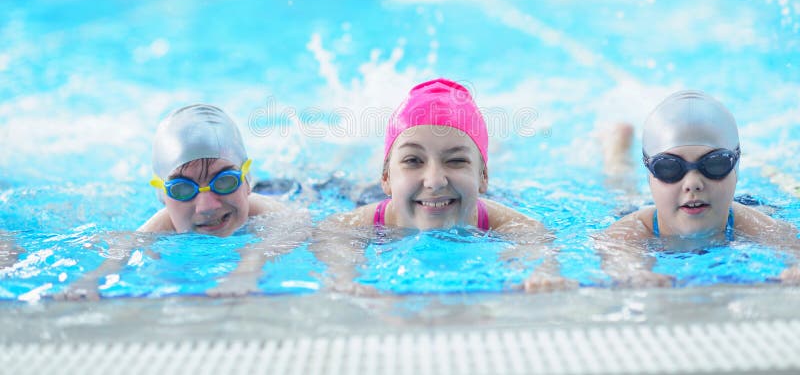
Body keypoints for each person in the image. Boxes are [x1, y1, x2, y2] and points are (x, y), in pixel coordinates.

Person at [313, 78, 573, 293]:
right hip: (370, 193)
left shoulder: (499, 220)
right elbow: (332, 233)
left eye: (456, 160)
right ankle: (351, 149)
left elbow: (533, 239)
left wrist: (540, 272)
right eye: (413, 160)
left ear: (484, 178)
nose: (435, 181)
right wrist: (345, 277)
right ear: (386, 179)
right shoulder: (367, 220)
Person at [61, 104, 310, 299]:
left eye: (224, 181)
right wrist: (91, 280)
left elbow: (299, 223)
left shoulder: (265, 210)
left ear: (247, 182)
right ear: (163, 196)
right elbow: (122, 250)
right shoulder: (161, 225)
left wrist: (248, 269)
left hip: (291, 190)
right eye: (182, 189)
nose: (207, 206)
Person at [598, 90, 800, 286]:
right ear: (650, 173)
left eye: (715, 164)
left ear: (736, 167)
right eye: (668, 167)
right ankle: (617, 148)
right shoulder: (633, 230)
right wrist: (634, 273)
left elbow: (793, 248)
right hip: (640, 208)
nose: (693, 183)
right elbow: (618, 259)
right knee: (622, 192)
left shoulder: (754, 224)